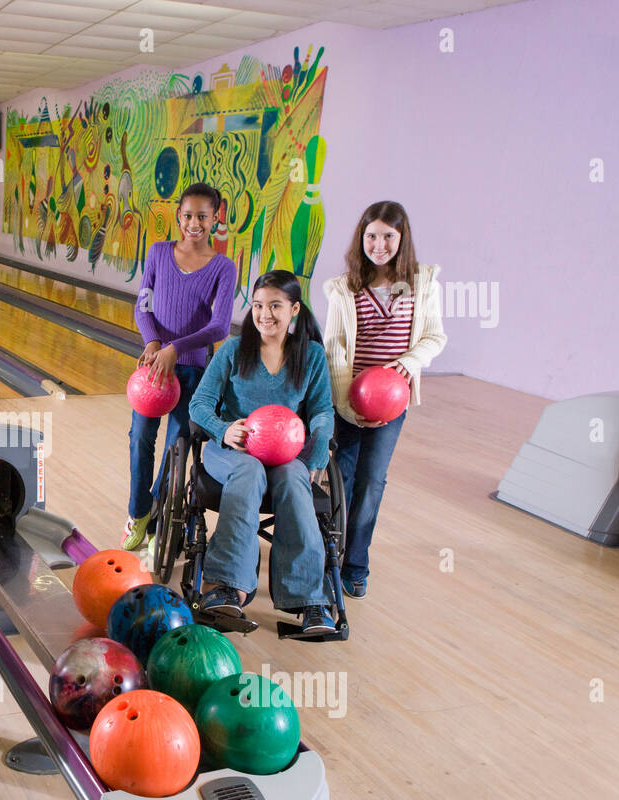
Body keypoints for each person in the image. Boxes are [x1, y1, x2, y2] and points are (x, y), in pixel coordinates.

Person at [188, 270, 336, 633]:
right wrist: (225, 429)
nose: (264, 314)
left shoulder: (311, 355)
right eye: (257, 305)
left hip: (287, 455)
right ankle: (226, 587)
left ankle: (311, 600)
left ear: (294, 310)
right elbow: (199, 404)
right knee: (250, 471)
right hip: (233, 451)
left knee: (293, 480)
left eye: (275, 306)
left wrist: (316, 454)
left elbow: (321, 412)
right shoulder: (235, 350)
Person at [323, 201, 446, 599]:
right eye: (371, 235)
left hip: (392, 404)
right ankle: (327, 559)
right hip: (348, 400)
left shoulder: (422, 283)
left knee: (372, 482)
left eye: (388, 236)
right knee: (340, 480)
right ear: (362, 238)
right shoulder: (344, 287)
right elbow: (335, 347)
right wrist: (346, 405)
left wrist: (407, 364)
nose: (379, 244)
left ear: (402, 238)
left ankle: (355, 565)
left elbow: (434, 337)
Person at [122, 183, 236, 551]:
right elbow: (143, 306)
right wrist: (154, 343)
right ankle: (139, 513)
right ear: (178, 216)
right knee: (140, 440)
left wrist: (176, 348)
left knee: (177, 448)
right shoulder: (157, 253)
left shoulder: (223, 267)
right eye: (188, 215)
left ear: (216, 218)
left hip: (191, 372)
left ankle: (156, 513)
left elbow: (219, 326)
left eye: (203, 216)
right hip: (153, 369)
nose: (194, 223)